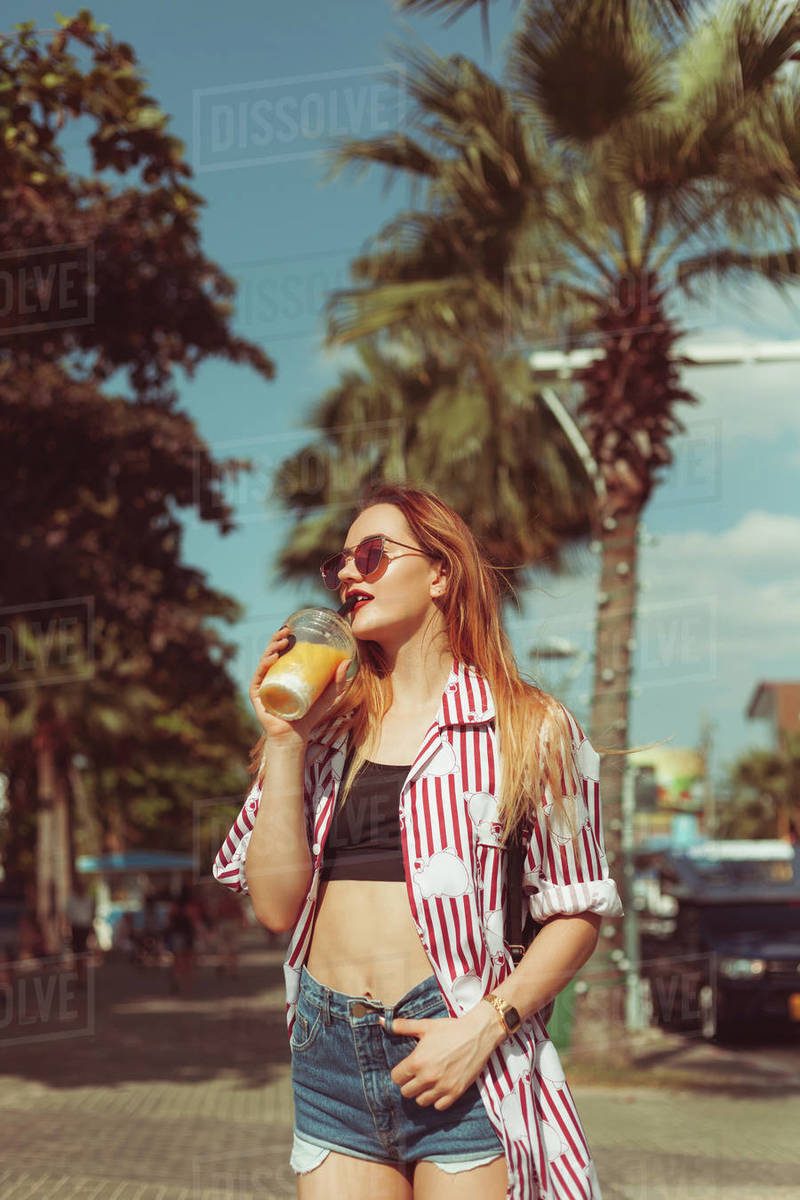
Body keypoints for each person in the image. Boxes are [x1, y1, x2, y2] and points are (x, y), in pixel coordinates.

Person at [213, 484, 623, 1200]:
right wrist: (283, 742)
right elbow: (275, 909)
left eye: (371, 555)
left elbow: (577, 911)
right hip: (328, 1053)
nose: (349, 573)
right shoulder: (322, 733)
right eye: (341, 562)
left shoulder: (529, 727)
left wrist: (484, 1028)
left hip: (458, 1045)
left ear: (440, 573)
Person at [65, 877, 96, 988]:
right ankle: (78, 976)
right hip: (76, 928)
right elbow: (67, 916)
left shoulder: (89, 899)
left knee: (84, 953)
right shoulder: (71, 900)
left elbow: (92, 914)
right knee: (77, 954)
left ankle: (82, 977)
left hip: (85, 928)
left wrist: (92, 929)